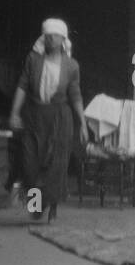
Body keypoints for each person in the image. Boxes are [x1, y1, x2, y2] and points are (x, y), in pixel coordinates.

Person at [8, 18, 88, 221]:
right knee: (30, 165)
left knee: (55, 167)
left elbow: (75, 95)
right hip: (34, 117)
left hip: (59, 119)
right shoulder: (33, 60)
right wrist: (14, 113)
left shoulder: (71, 66)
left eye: (55, 35)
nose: (51, 38)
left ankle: (52, 208)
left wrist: (83, 123)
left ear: (63, 39)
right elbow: (23, 85)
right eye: (48, 35)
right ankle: (36, 208)